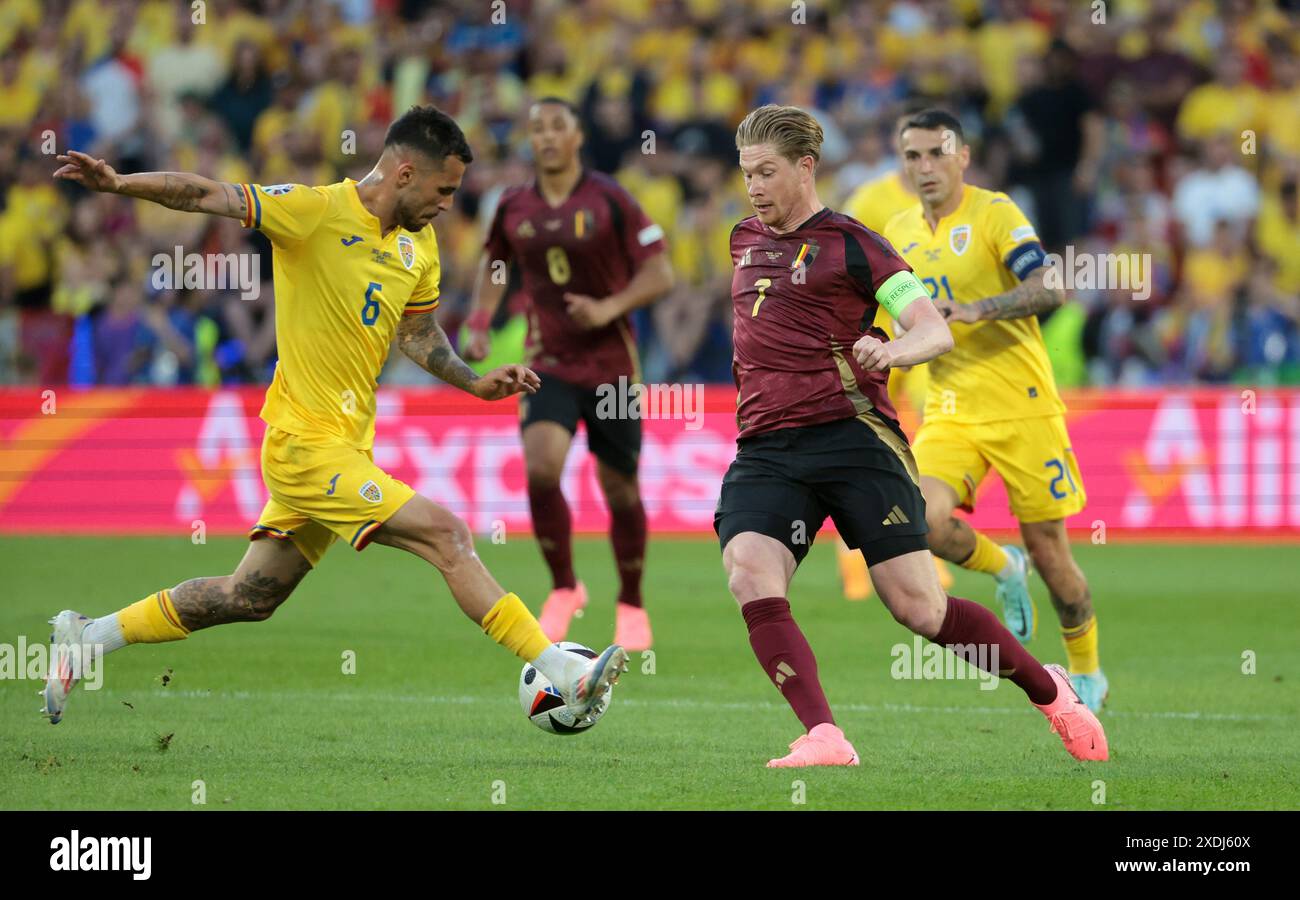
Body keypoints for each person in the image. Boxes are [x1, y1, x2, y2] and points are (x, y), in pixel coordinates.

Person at [42, 106, 626, 726]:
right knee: (448, 535)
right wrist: (119, 183)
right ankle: (564, 671)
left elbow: (418, 333)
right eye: (444, 190)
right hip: (303, 446)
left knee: (248, 596)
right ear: (405, 173)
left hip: (346, 446)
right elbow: (207, 194)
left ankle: (89, 637)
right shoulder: (313, 210)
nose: (448, 205)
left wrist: (475, 383)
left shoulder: (418, 245)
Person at [714, 104, 1108, 767]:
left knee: (920, 610)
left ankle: (1051, 691)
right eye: (746, 173)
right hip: (767, 447)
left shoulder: (855, 245)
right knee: (749, 572)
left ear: (805, 168)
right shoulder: (743, 239)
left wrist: (892, 351)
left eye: (767, 172)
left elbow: (932, 327)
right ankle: (825, 735)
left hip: (853, 440)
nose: (753, 187)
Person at [883, 109, 1108, 710]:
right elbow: (888, 320)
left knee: (1051, 553)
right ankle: (1003, 566)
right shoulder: (897, 232)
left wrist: (977, 309)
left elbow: (1051, 287)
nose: (925, 167)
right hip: (950, 411)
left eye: (937, 153)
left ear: (963, 157)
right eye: (912, 156)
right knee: (918, 520)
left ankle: (1087, 671)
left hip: (1023, 407)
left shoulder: (995, 213)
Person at [464, 98, 673, 651]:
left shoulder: (610, 198)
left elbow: (661, 273)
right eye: (537, 128)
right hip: (547, 361)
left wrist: (608, 308)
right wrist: (480, 320)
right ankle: (564, 587)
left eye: (558, 126)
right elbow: (496, 264)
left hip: (612, 367)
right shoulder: (513, 205)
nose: (547, 136)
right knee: (540, 468)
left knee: (620, 488)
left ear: (577, 137)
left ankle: (631, 601)